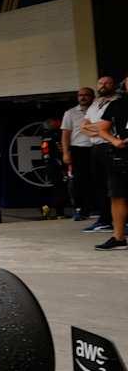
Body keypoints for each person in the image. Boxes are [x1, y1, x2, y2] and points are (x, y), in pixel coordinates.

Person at [89, 94, 128, 250]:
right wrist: (114, 141)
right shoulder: (117, 104)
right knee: (117, 195)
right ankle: (119, 238)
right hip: (122, 155)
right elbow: (103, 129)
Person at [83, 76, 120, 234]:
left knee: (116, 187)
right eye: (100, 83)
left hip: (112, 146)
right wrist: (100, 129)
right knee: (100, 186)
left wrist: (96, 128)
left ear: (114, 85)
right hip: (96, 147)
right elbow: (83, 128)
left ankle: (120, 221)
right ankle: (104, 220)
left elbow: (111, 125)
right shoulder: (95, 104)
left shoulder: (119, 102)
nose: (103, 85)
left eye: (107, 83)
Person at [63, 87, 96, 220]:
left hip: (96, 147)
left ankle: (97, 209)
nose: (83, 97)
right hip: (79, 149)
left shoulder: (97, 111)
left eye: (86, 95)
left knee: (98, 179)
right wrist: (66, 152)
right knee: (79, 181)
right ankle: (80, 209)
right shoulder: (70, 113)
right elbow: (65, 134)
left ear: (92, 96)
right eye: (80, 95)